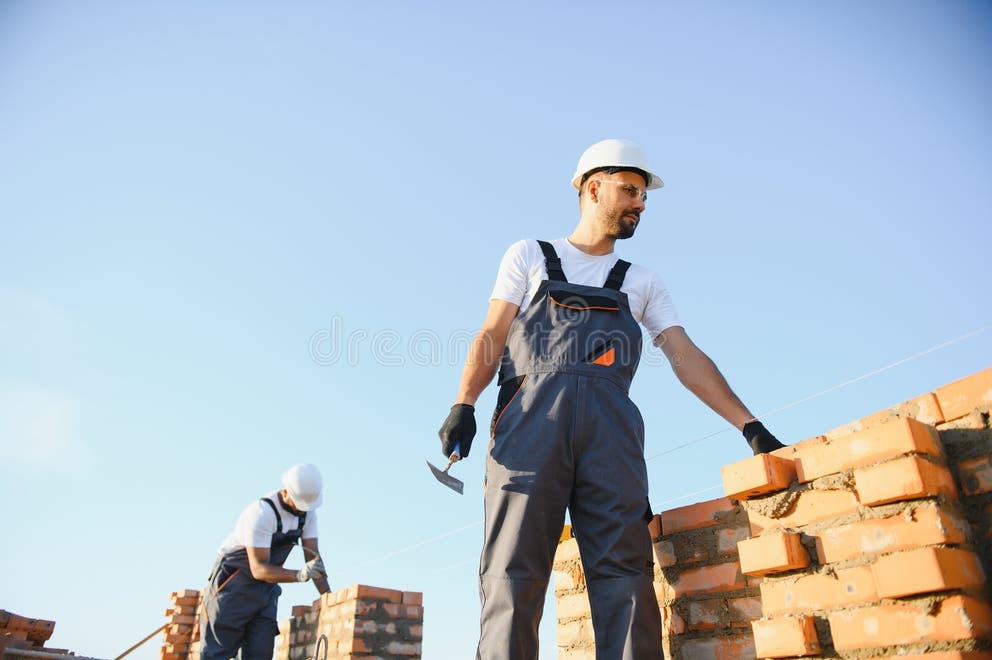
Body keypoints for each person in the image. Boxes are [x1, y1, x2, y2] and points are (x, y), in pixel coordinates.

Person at [437, 139, 787, 659]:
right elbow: (492, 331)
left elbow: (686, 357)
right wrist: (464, 401)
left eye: (644, 196)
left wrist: (750, 426)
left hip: (611, 440)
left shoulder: (641, 281)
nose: (640, 204)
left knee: (624, 574)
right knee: (513, 573)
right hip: (529, 429)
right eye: (630, 190)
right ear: (592, 187)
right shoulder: (530, 255)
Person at [200, 463, 329, 660]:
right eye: (300, 504)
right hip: (233, 585)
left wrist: (328, 597)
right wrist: (299, 575)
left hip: (265, 591)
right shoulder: (262, 514)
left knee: (259, 653)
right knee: (218, 653)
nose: (303, 511)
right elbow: (258, 569)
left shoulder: (308, 514)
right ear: (286, 492)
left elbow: (313, 557)